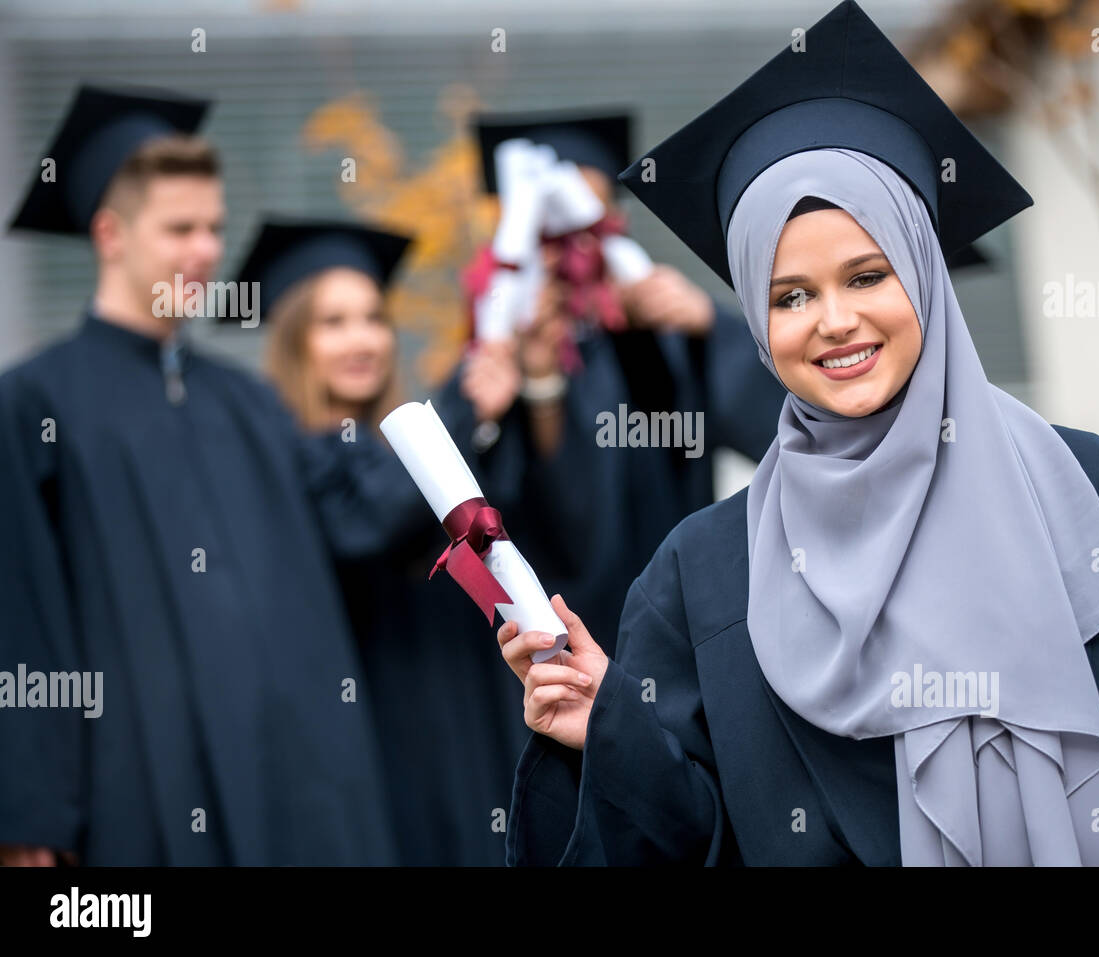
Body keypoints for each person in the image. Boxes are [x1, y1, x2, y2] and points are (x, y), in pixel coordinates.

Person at [496, 1, 1099, 866]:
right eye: (790, 294)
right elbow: (697, 839)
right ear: (759, 326)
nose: (834, 321)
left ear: (923, 272)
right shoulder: (704, 579)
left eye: (867, 274)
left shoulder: (1094, 495)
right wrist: (609, 731)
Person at [0, 86, 429, 866]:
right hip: (134, 785)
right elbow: (20, 615)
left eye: (213, 228)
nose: (204, 250)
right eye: (179, 229)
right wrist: (31, 807)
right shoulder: (36, 400)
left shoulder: (249, 403)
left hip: (290, 779)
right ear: (110, 233)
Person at [439, 108, 789, 655]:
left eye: (587, 222)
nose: (572, 248)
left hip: (679, 619)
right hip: (548, 639)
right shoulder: (488, 359)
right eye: (549, 228)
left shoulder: (659, 333)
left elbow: (770, 429)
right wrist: (529, 380)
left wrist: (708, 327)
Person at [239, 217, 524, 865]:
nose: (362, 338)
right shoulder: (286, 458)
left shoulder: (385, 451)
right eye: (333, 322)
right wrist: (458, 403)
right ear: (294, 342)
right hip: (370, 718)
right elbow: (370, 522)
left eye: (372, 318)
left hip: (461, 700)